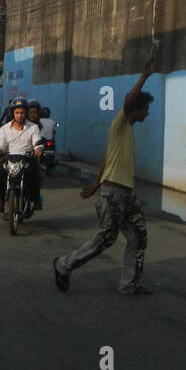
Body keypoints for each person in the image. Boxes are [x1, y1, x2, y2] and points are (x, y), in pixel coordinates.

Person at [53, 59, 154, 295]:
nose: (147, 113)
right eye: (145, 109)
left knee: (139, 238)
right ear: (135, 109)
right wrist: (144, 77)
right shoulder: (120, 122)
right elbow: (129, 101)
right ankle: (63, 265)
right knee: (105, 239)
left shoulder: (127, 133)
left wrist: (96, 183)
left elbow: (109, 160)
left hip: (125, 193)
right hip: (115, 194)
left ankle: (129, 284)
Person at [0, 97, 43, 216]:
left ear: (26, 113)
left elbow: (37, 142)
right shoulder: (4, 129)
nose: (20, 115)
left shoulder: (33, 127)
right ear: (13, 113)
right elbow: (0, 145)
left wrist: (38, 149)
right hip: (10, 159)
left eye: (22, 112)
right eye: (17, 112)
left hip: (27, 159)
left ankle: (35, 199)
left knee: (37, 174)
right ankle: (0, 198)